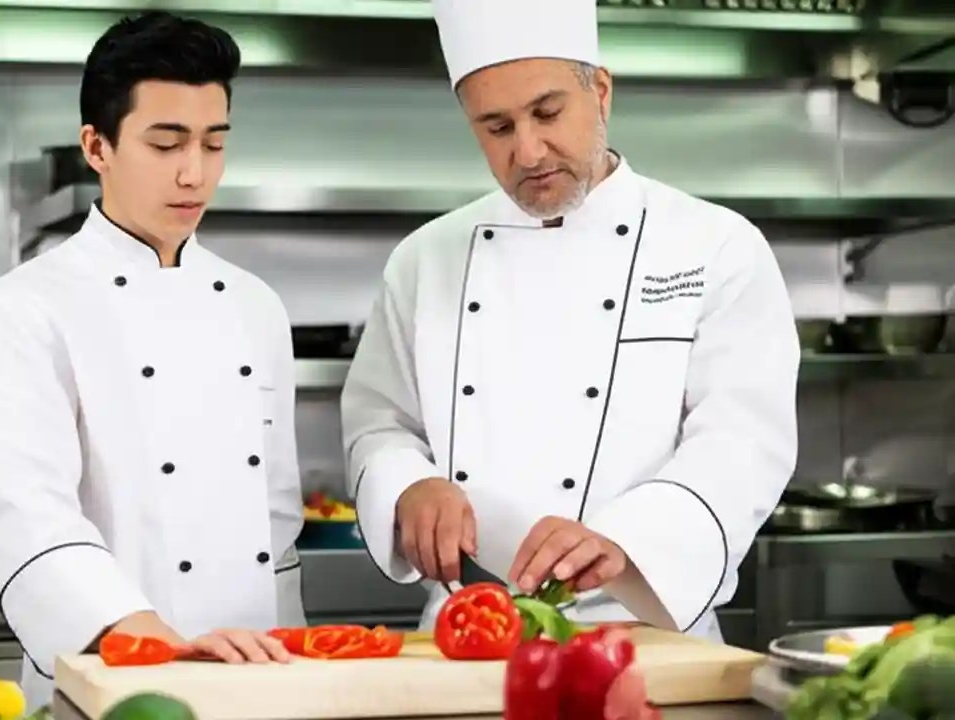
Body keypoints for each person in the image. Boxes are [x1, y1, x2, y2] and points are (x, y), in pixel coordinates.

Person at [342, 0, 799, 641]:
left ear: (601, 92)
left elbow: (743, 441)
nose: (528, 151)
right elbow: (379, 421)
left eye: (547, 113)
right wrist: (410, 485)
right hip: (470, 632)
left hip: (647, 631)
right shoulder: (426, 258)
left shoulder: (715, 246)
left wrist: (627, 537)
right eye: (496, 127)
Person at [0, 11, 305, 708]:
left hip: (257, 683)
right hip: (110, 677)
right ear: (97, 146)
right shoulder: (30, 304)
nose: (195, 173)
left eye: (214, 144)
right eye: (166, 143)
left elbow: (275, 530)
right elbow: (32, 515)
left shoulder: (256, 305)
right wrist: (153, 640)